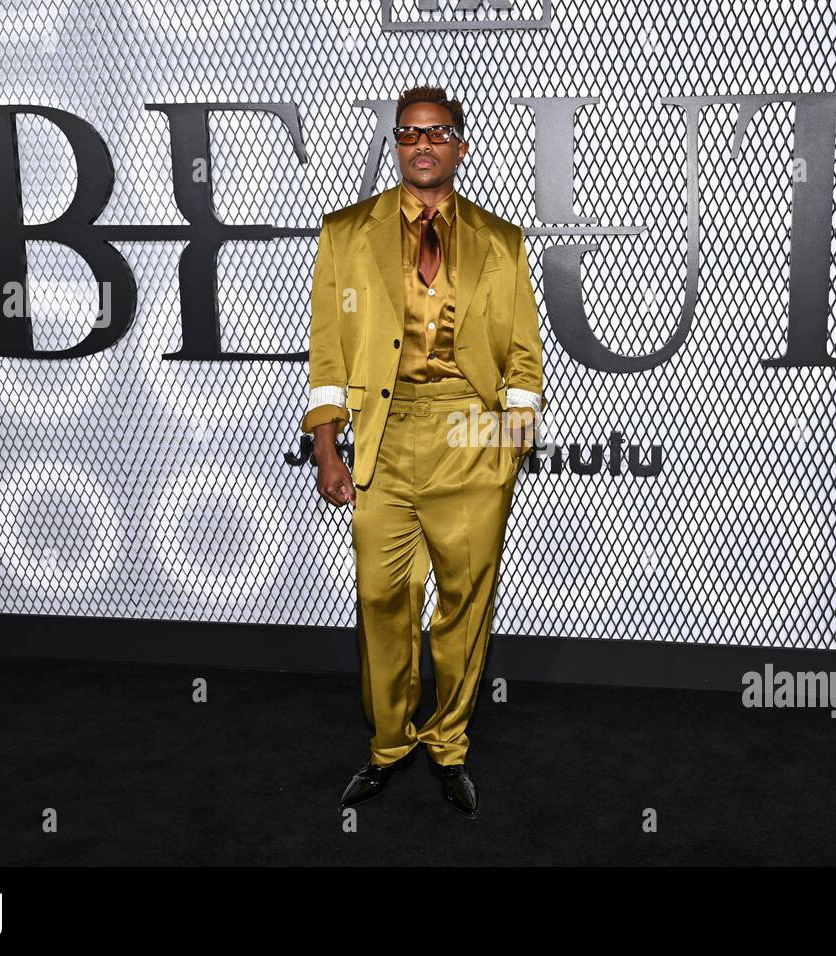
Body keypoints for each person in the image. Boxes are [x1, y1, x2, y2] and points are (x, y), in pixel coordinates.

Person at [301, 85, 546, 819]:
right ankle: (387, 744)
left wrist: (508, 446)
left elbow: (525, 361)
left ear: (460, 145)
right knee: (383, 600)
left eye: (437, 132)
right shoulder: (346, 232)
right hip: (384, 435)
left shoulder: (502, 241)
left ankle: (448, 746)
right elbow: (326, 351)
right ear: (397, 144)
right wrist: (326, 447)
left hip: (471, 434)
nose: (423, 144)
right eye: (409, 133)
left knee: (464, 605)